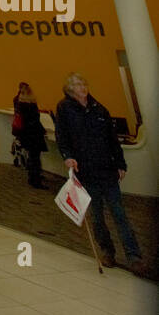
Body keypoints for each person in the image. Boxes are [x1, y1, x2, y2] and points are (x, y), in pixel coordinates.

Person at [54, 73, 146, 276]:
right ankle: (107, 251)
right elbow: (62, 136)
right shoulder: (64, 109)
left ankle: (134, 256)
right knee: (97, 216)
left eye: (84, 83)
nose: (82, 87)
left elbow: (112, 139)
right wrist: (68, 156)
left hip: (107, 169)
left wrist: (120, 163)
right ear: (70, 89)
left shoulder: (99, 108)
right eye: (78, 84)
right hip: (86, 171)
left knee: (119, 213)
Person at [13, 81, 47, 189]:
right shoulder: (30, 104)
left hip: (25, 134)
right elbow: (35, 119)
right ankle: (35, 179)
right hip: (34, 134)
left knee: (32, 156)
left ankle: (32, 177)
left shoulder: (18, 102)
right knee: (35, 157)